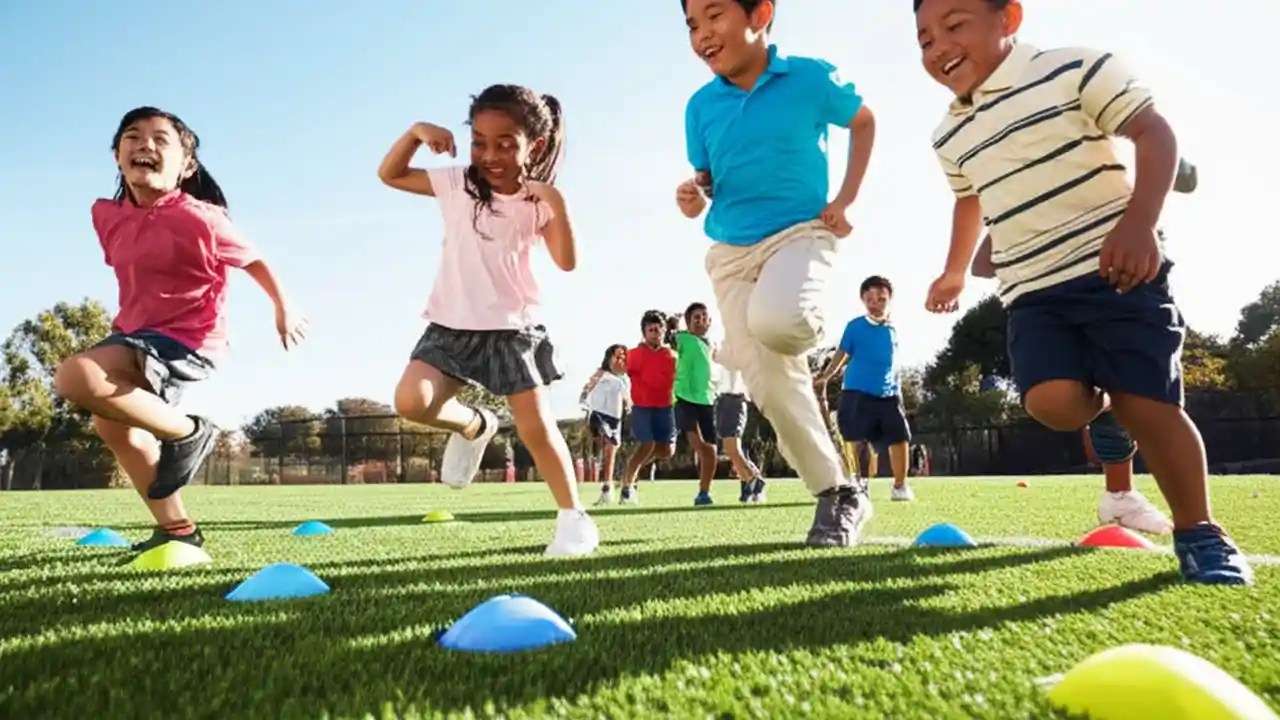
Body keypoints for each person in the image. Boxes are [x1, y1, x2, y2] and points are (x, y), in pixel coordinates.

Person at [916, 0, 1251, 583]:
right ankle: (1113, 405)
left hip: (1115, 272)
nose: (938, 46)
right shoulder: (950, 132)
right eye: (923, 39)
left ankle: (1201, 533)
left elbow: (1153, 131)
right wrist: (953, 270)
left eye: (954, 24)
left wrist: (1140, 222)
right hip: (1032, 291)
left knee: (1150, 405)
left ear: (1008, 18)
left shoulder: (1074, 69)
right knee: (1050, 403)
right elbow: (969, 198)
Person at [53, 106, 307, 554]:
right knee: (112, 425)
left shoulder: (202, 218)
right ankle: (177, 530)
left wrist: (283, 307)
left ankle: (188, 434)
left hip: (190, 340)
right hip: (135, 332)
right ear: (116, 155)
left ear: (187, 165)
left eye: (160, 140)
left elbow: (255, 260)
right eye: (132, 138)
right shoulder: (105, 216)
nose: (144, 146)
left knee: (76, 377)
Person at [678, 0, 877, 547]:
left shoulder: (810, 77)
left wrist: (845, 199)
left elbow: (863, 121)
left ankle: (804, 325)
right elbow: (707, 178)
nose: (702, 34)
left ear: (760, 12)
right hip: (731, 255)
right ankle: (839, 493)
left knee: (780, 322)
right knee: (767, 382)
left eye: (714, 16)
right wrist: (693, 195)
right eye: (693, 25)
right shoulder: (700, 107)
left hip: (800, 235)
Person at [377, 84, 598, 558]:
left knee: (537, 428)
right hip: (450, 326)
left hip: (511, 330)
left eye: (504, 143)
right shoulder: (456, 183)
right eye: (479, 141)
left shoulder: (538, 201)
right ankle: (475, 424)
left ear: (532, 146)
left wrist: (558, 204)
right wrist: (416, 132)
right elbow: (390, 175)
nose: (489, 153)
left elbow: (566, 261)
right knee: (410, 401)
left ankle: (573, 518)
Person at [816, 276, 915, 501]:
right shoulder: (855, 327)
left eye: (881, 299)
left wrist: (897, 389)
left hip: (889, 394)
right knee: (858, 439)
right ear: (863, 300)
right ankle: (860, 484)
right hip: (857, 391)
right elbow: (842, 354)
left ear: (889, 300)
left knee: (900, 438)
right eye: (870, 299)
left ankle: (900, 486)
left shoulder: (894, 328)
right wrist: (826, 376)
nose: (875, 303)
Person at [607, 310, 679, 505]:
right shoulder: (634, 355)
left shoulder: (672, 356)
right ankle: (627, 487)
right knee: (647, 444)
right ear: (644, 332)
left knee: (667, 451)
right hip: (642, 407)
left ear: (664, 331)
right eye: (651, 330)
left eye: (658, 330)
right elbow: (617, 370)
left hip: (666, 407)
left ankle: (630, 469)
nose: (655, 333)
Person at [673, 302, 720, 505]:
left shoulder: (712, 345)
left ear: (710, 321)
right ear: (689, 322)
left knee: (711, 450)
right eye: (696, 317)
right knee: (701, 446)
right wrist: (672, 325)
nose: (701, 320)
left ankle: (704, 492)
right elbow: (666, 339)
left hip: (707, 401)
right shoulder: (682, 339)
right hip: (684, 398)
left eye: (704, 316)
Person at [715, 357, 766, 503]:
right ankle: (750, 481)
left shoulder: (742, 350)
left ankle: (753, 480)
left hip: (735, 400)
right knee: (729, 448)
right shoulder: (723, 346)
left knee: (733, 447)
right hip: (722, 399)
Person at [580, 344, 630, 493]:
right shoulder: (601, 373)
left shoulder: (623, 379)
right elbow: (588, 386)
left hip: (615, 418)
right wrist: (583, 400)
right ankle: (598, 431)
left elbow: (627, 396)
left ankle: (607, 484)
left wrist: (630, 405)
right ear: (609, 358)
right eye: (617, 356)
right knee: (604, 438)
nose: (620, 360)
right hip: (599, 413)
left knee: (612, 449)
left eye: (623, 357)